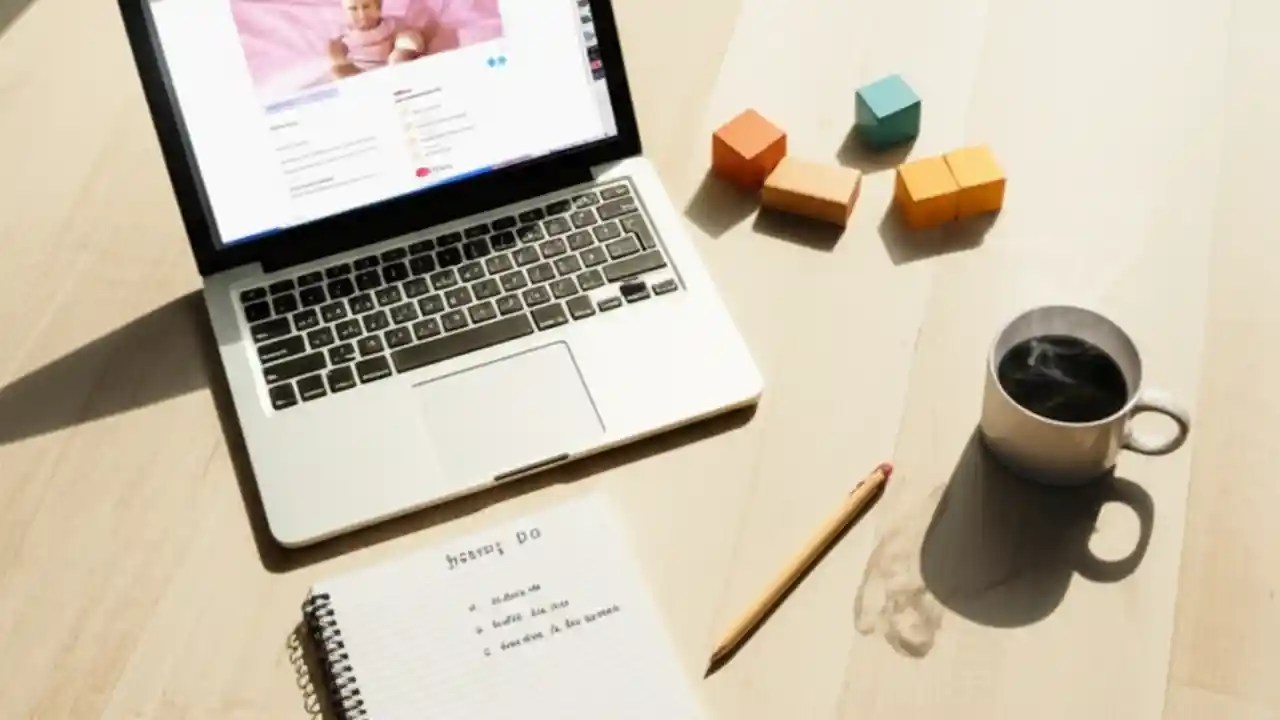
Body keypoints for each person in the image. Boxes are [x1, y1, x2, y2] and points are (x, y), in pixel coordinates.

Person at [328, 0, 426, 78]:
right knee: (338, 71)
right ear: (345, 12)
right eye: (353, 9)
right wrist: (336, 56)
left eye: (366, 7)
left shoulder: (389, 25)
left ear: (378, 8)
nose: (362, 14)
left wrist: (405, 44)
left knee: (400, 53)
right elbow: (337, 56)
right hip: (360, 74)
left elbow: (408, 34)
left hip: (389, 69)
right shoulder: (346, 36)